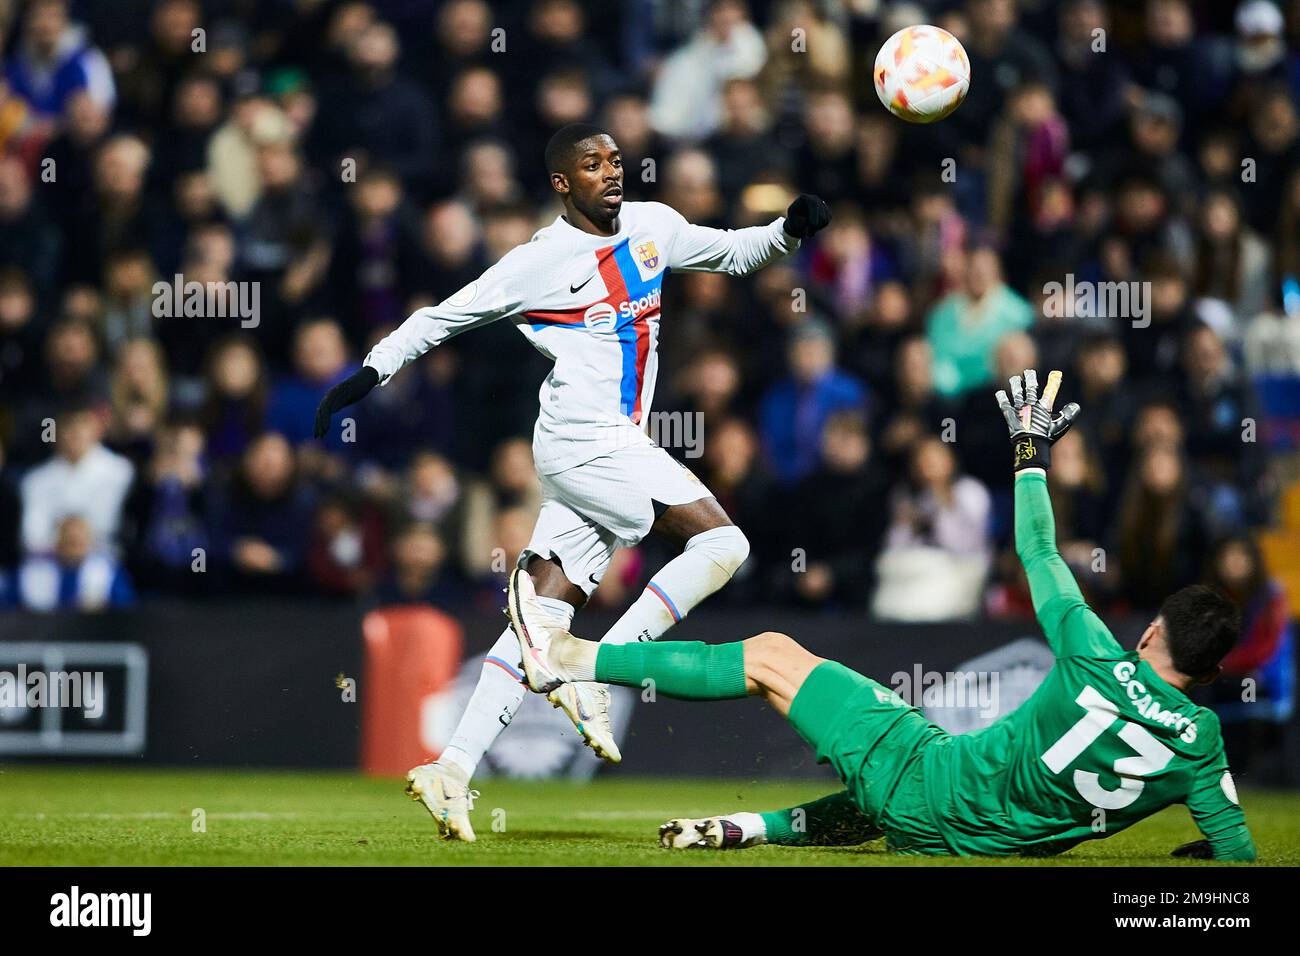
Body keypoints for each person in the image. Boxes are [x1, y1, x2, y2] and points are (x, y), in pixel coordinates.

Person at [312, 122, 831, 840]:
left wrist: (787, 232)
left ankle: (451, 768)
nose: (611, 172)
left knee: (541, 621)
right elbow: (441, 318)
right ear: (562, 183)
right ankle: (592, 672)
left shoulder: (653, 227)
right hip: (581, 440)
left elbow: (735, 253)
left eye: (615, 160)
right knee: (723, 545)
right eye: (592, 164)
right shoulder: (539, 261)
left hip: (611, 445)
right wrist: (368, 372)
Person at [508, 368, 1256, 861]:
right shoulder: (1202, 745)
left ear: (1153, 630)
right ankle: (745, 828)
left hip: (928, 785)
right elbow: (1240, 855)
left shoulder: (1097, 651)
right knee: (891, 786)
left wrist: (1030, 449)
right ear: (1213, 671)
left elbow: (1037, 547)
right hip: (957, 843)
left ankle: (569, 657)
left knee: (772, 655)